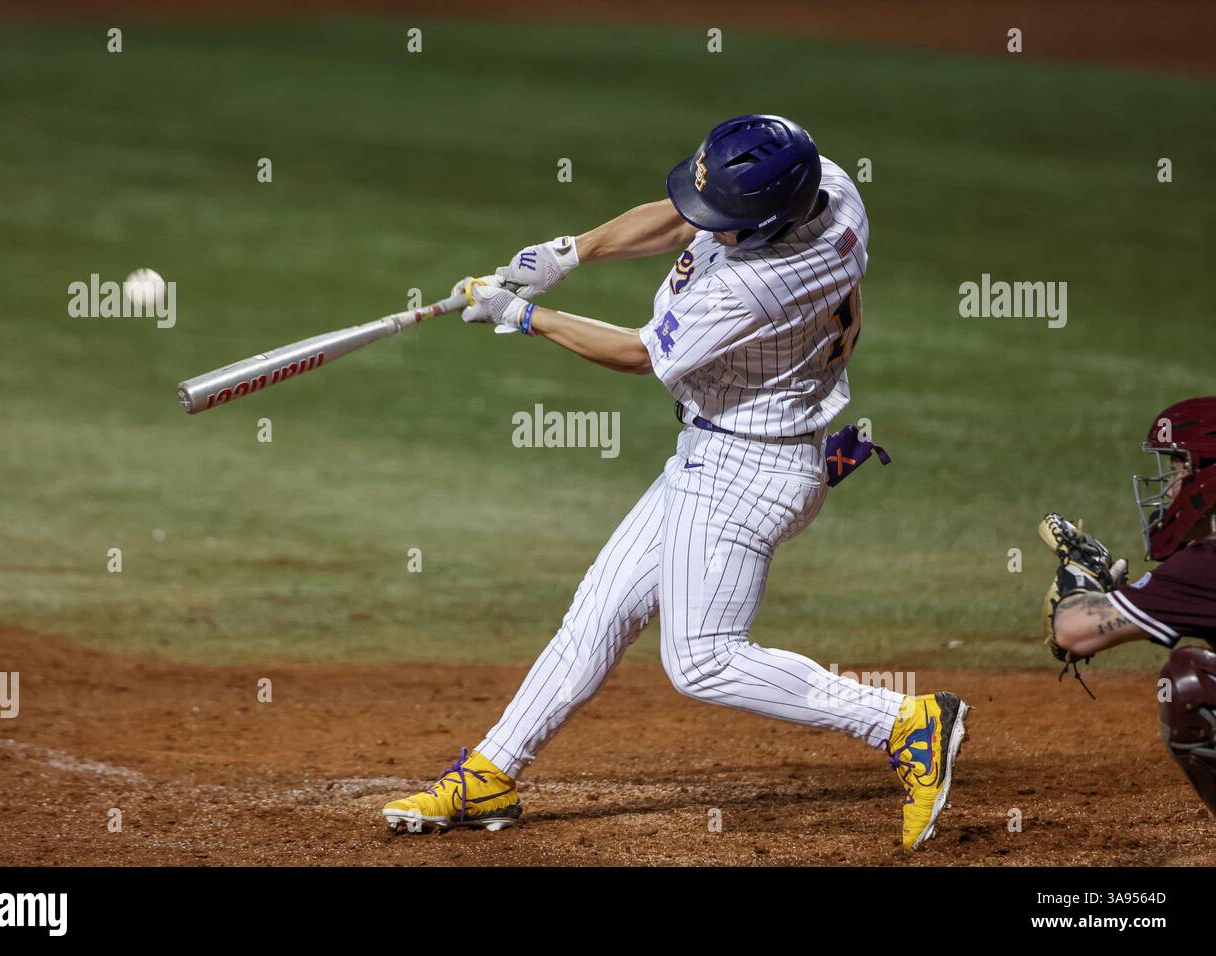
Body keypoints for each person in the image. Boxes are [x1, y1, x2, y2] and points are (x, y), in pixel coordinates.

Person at [382, 114, 969, 851]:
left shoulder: (758, 287)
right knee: (600, 611)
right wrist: (573, 251)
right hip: (730, 451)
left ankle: (904, 722)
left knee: (702, 660)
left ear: (767, 223)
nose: (707, 226)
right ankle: (491, 772)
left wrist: (524, 314)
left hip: (745, 470)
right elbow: (687, 219)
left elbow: (636, 354)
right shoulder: (828, 185)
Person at [1043, 396, 1216, 814]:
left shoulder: (1204, 565)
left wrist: (1079, 574)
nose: (1171, 489)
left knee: (1190, 681)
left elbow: (1072, 630)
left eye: (1177, 470)